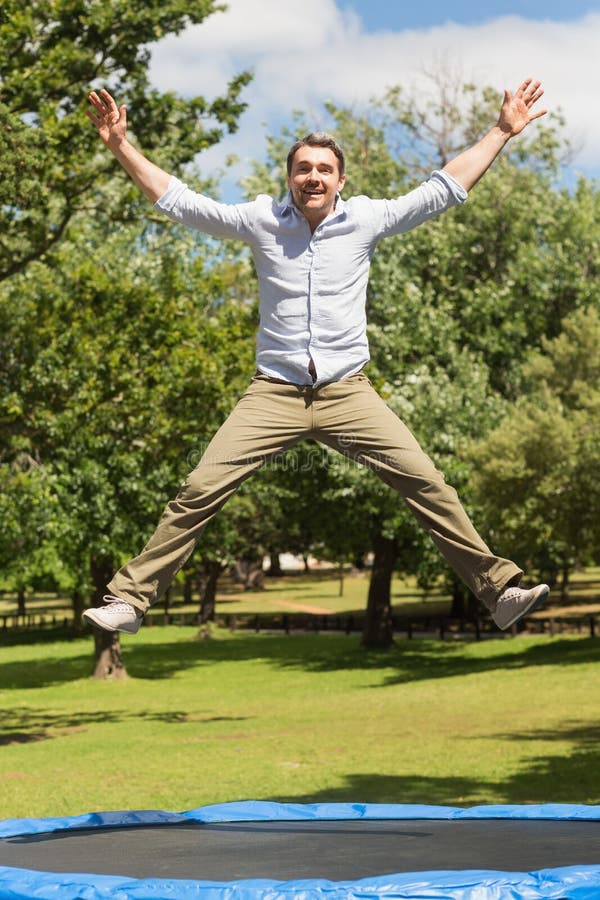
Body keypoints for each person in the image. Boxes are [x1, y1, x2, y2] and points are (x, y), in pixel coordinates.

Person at [83, 78, 549, 636]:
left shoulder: (366, 221)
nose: (313, 177)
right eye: (304, 168)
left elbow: (441, 190)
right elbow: (180, 202)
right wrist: (118, 145)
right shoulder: (260, 221)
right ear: (290, 177)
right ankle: (130, 601)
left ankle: (499, 593)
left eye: (325, 169)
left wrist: (500, 131)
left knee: (427, 482)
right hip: (273, 393)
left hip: (347, 392)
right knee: (200, 489)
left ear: (340, 180)